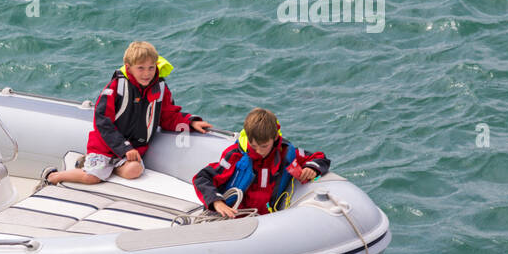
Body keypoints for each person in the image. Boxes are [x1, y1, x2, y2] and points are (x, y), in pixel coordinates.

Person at [45, 40, 212, 186]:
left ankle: (108, 168)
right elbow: (102, 121)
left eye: (151, 68)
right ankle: (53, 176)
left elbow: (168, 115)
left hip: (134, 149)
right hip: (106, 146)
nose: (147, 73)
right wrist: (124, 148)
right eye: (141, 68)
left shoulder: (160, 88)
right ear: (128, 67)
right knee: (92, 178)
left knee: (134, 170)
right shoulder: (116, 87)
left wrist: (190, 122)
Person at [192, 107, 330, 216]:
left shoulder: (285, 152)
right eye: (254, 146)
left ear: (274, 138)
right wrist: (217, 202)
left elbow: (319, 157)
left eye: (264, 146)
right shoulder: (235, 156)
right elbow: (202, 178)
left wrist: (311, 168)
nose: (259, 151)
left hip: (267, 218)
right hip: (235, 216)